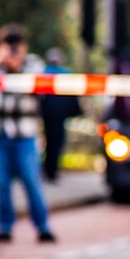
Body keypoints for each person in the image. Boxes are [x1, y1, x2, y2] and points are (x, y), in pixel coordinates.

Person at [0, 25, 56, 244]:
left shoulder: (33, 65)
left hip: (25, 134)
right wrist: (2, 65)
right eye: (8, 46)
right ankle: (4, 227)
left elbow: (41, 92)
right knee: (2, 182)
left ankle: (42, 226)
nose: (13, 51)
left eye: (17, 46)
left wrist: (18, 68)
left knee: (31, 180)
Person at [38, 46, 81, 183]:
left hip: (47, 115)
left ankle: (48, 169)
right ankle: (51, 170)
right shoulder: (66, 74)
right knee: (56, 142)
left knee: (49, 141)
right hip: (58, 116)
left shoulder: (44, 73)